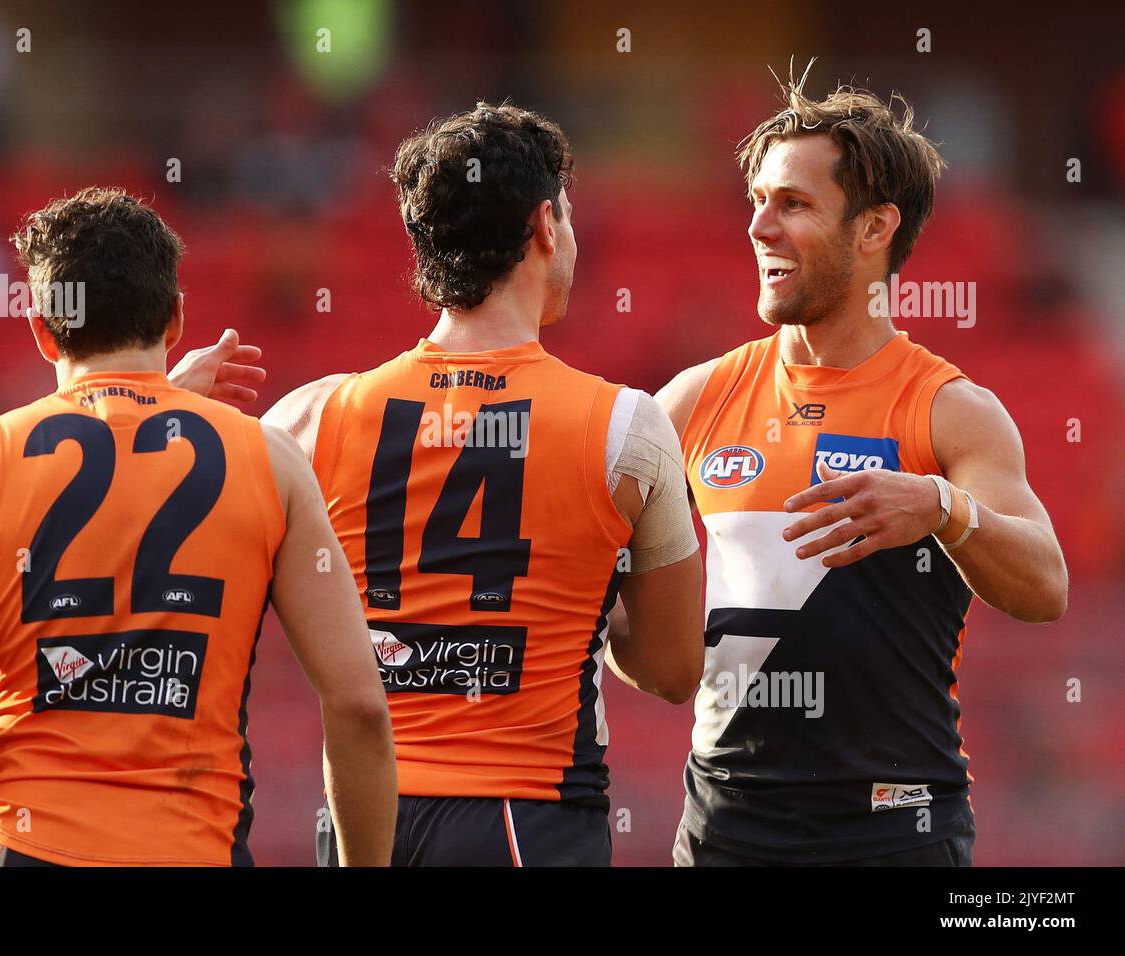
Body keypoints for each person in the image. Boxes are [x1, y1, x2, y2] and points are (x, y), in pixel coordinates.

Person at [0, 187, 396, 866]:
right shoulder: (269, 461)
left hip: (19, 844)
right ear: (174, 321)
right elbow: (360, 707)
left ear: (41, 330)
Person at [258, 102, 705, 866]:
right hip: (527, 819)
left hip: (360, 818)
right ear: (544, 227)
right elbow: (670, 670)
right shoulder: (624, 427)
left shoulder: (307, 418)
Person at [654, 69, 1069, 866]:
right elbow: (623, 624)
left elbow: (1046, 587)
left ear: (876, 228)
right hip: (725, 832)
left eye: (793, 204)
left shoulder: (950, 409)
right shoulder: (690, 402)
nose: (759, 227)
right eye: (758, 200)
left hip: (896, 830)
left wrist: (944, 509)